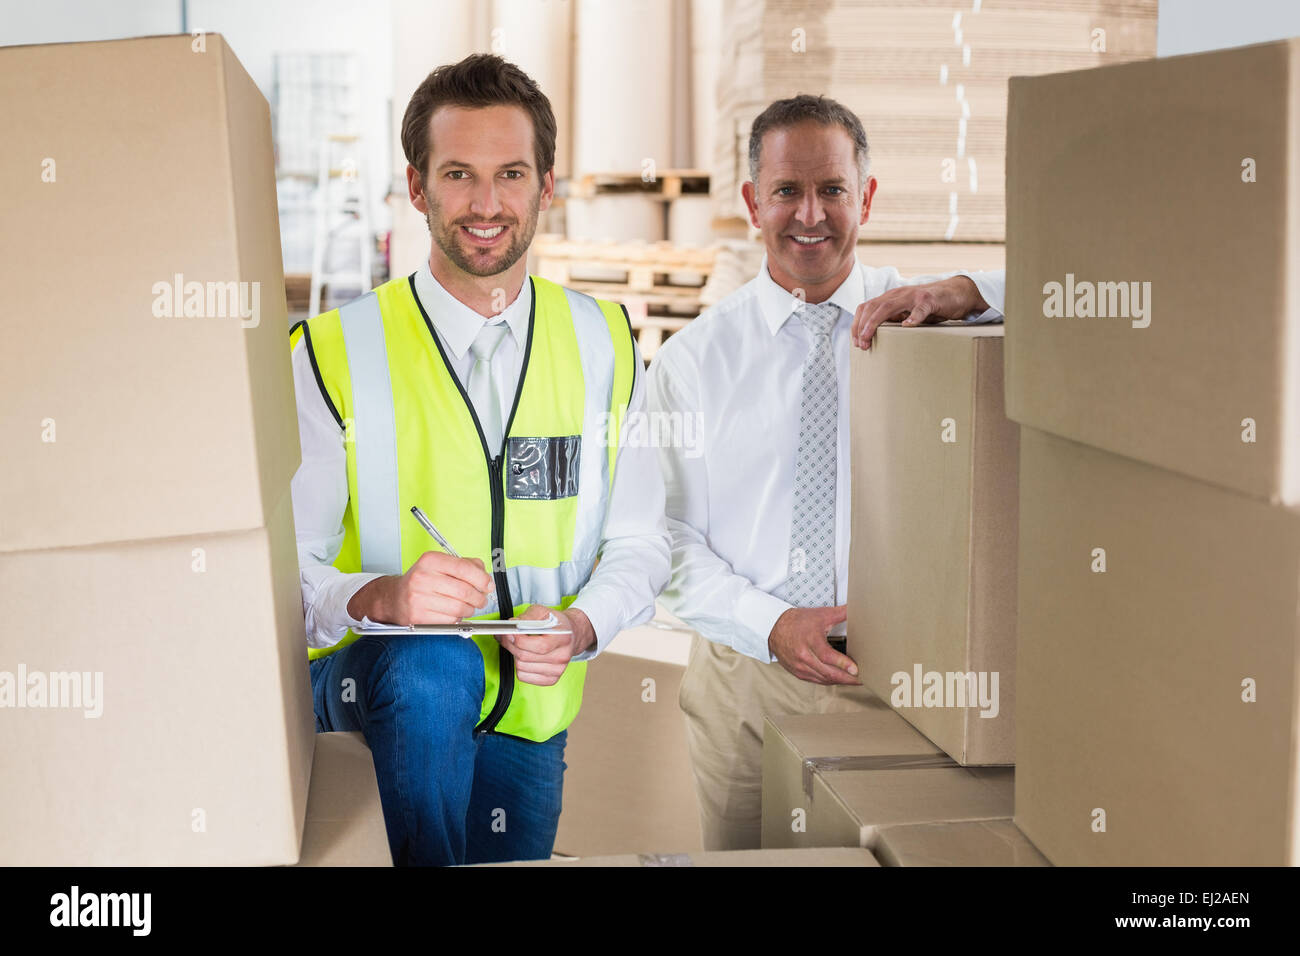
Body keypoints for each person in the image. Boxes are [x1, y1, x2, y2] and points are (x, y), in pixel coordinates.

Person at [288, 53, 670, 866]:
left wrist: (578, 623)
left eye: (511, 174)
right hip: (375, 700)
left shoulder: (604, 343)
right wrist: (384, 597)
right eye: (458, 174)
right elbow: (286, 574)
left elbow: (640, 542)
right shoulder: (331, 350)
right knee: (432, 667)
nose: (487, 204)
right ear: (418, 188)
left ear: (547, 186)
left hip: (530, 713)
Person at [647, 94, 1006, 850]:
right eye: (786, 191)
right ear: (752, 202)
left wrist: (972, 292)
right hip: (745, 679)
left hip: (896, 680)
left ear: (866, 198)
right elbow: (664, 536)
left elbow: (1068, 307)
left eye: (832, 190)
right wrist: (769, 623)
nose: (810, 214)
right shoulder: (694, 361)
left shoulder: (929, 326)